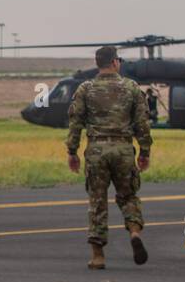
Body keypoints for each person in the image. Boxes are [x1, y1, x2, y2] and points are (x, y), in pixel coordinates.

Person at [65, 46, 152, 269]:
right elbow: (142, 123)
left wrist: (72, 151)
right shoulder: (131, 87)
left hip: (96, 150)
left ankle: (98, 256)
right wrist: (144, 151)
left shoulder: (86, 89)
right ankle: (134, 232)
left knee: (97, 201)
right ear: (115, 62)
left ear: (98, 64)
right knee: (129, 196)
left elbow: (75, 123)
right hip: (123, 149)